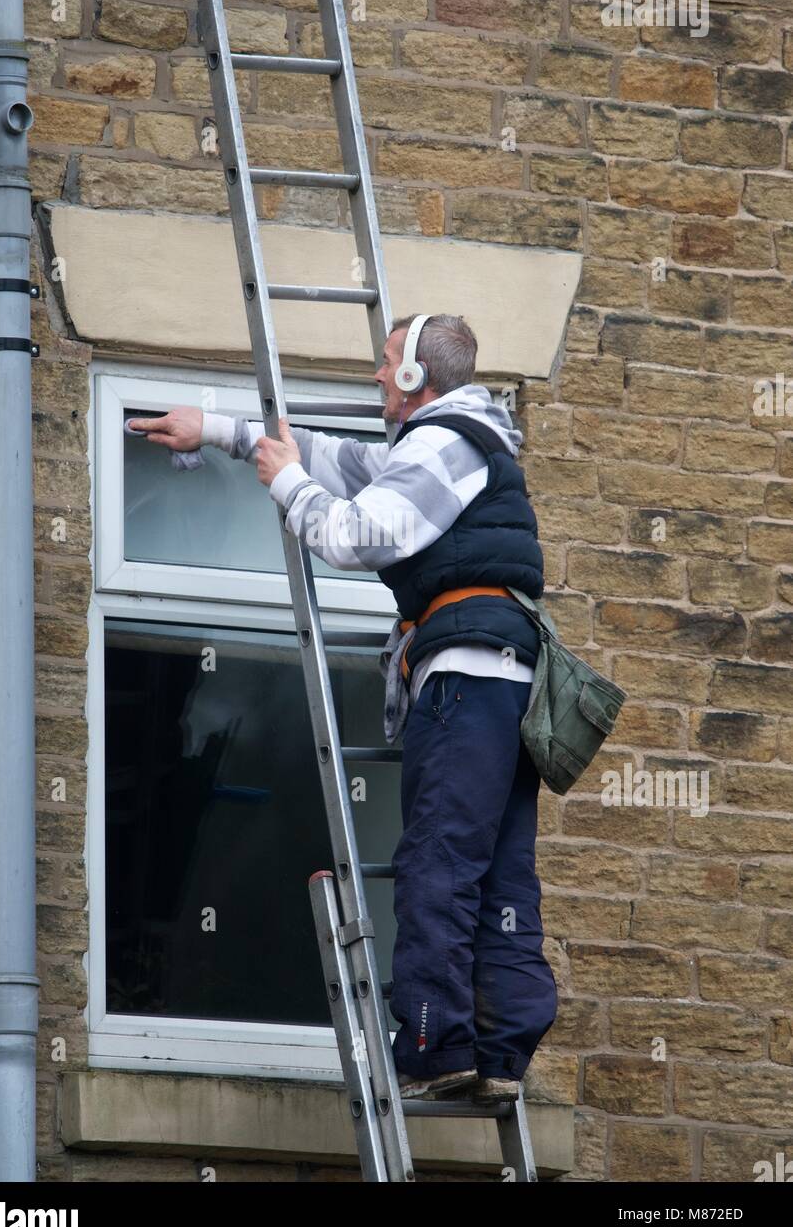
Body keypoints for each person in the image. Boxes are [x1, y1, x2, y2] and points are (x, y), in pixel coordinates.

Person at [128, 312, 558, 1104]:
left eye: (384, 361)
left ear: (411, 377)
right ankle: (500, 1051)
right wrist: (220, 430)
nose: (373, 375)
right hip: (503, 684)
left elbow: (362, 533)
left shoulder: (442, 443)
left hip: (465, 684)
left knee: (438, 863)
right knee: (498, 875)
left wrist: (288, 487)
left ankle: (433, 1047)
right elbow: (344, 458)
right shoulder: (453, 441)